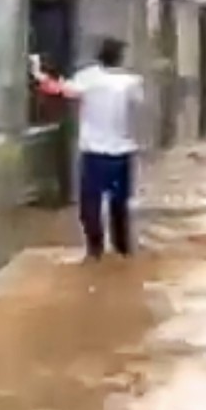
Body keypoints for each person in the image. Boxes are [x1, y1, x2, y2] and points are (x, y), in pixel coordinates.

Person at [31, 38, 146, 260]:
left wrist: (37, 72)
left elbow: (57, 89)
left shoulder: (88, 78)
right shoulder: (132, 82)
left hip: (94, 153)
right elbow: (137, 107)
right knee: (119, 205)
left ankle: (95, 251)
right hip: (122, 152)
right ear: (121, 58)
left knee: (90, 206)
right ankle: (123, 250)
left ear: (99, 55)